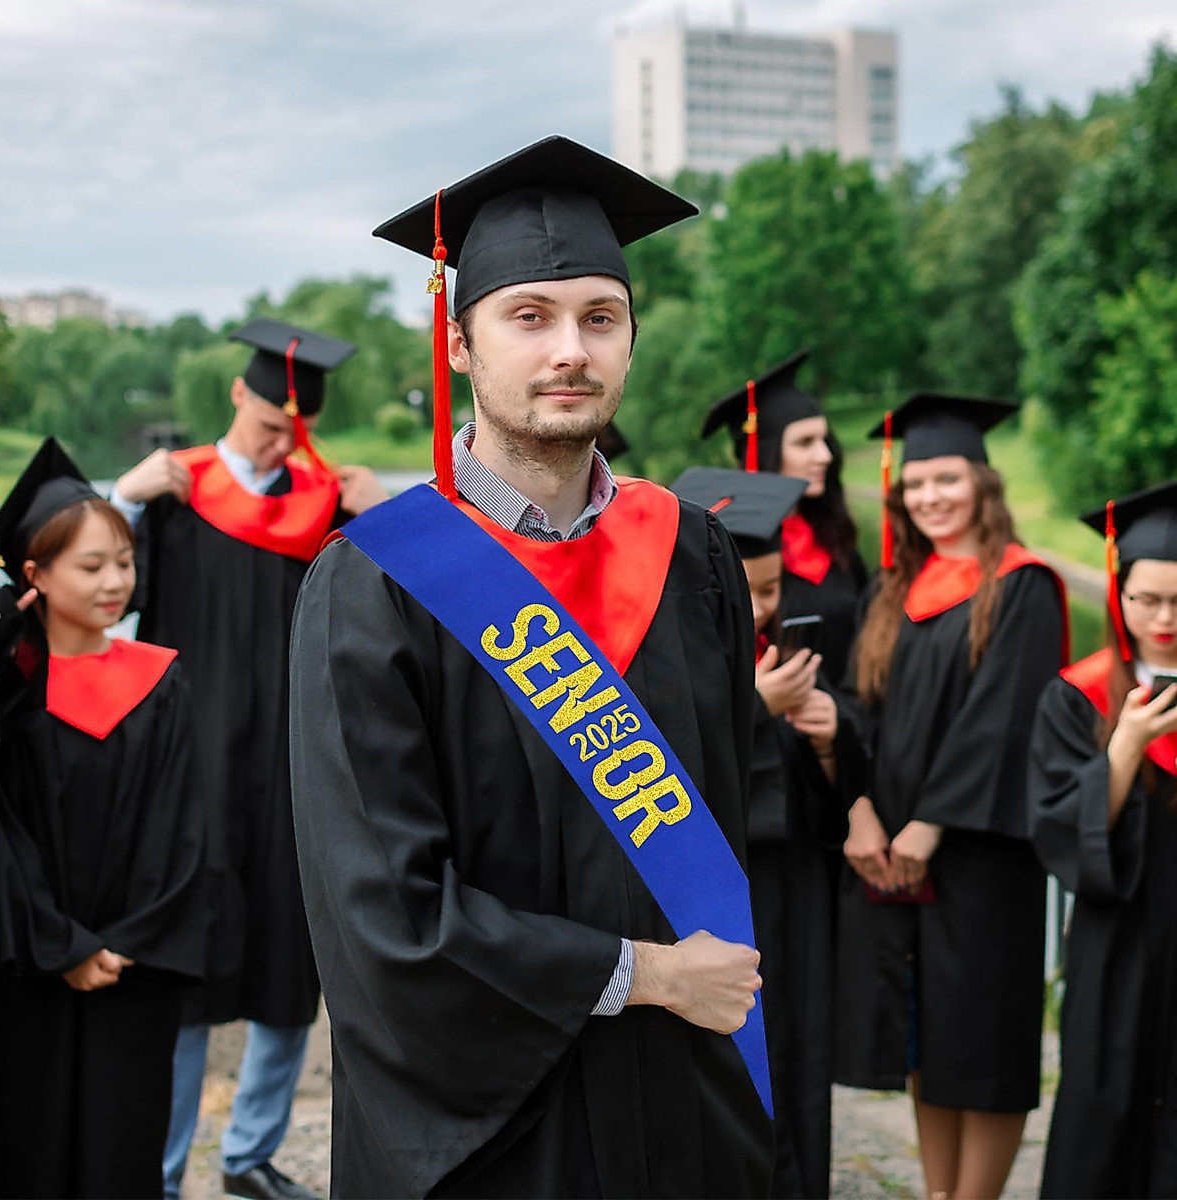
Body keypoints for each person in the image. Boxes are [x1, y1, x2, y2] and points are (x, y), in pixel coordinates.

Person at [289, 135, 776, 1198]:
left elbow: (733, 812)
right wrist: (643, 974)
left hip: (685, 1101)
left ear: (633, 340)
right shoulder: (376, 583)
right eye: (530, 317)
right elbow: (383, 915)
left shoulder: (691, 555)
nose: (571, 351)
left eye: (601, 318)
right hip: (496, 1128)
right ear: (458, 344)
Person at [110, 319, 387, 1200]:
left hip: (296, 763)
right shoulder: (172, 493)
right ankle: (160, 1166)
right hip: (188, 764)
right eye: (269, 420)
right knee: (183, 961)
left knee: (287, 955)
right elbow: (109, 596)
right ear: (238, 394)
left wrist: (380, 518)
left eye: (291, 430)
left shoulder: (329, 508)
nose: (278, 440)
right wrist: (120, 502)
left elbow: (394, 621)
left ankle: (251, 1155)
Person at [834, 395, 1068, 1200]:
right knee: (926, 1035)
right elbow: (856, 715)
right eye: (918, 484)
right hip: (893, 855)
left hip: (980, 855)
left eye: (948, 480)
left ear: (983, 483)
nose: (931, 497)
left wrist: (928, 826)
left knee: (988, 1040)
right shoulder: (895, 591)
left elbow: (1002, 718)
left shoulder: (1023, 586)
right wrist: (861, 813)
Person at [0, 438, 206, 1198]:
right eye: (91, 565)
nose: (116, 582)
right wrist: (60, 944)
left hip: (132, 974)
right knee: (29, 1154)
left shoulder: (159, 679)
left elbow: (182, 829)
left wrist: (125, 943)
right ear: (33, 576)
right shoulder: (0, 700)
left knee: (122, 1155)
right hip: (25, 971)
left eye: (125, 561)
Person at [673, 466, 868, 1198]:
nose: (759, 609)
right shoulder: (663, 657)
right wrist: (753, 707)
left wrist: (827, 741)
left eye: (774, 590)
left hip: (794, 891)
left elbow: (830, 795)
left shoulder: (790, 653)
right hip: (716, 897)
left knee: (798, 1060)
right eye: (745, 591)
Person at [1028, 481, 1177, 1198]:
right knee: (1103, 1102)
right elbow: (1055, 826)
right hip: (1115, 941)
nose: (1163, 620)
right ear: (1118, 591)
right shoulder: (1078, 693)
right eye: (1145, 599)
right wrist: (1125, 750)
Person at [702, 351, 867, 686]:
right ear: (764, 450)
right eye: (805, 443)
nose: (825, 456)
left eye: (825, 440)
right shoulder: (721, 548)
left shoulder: (835, 539)